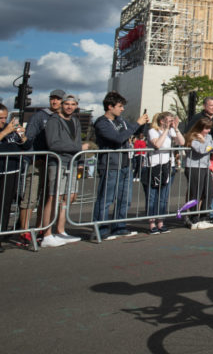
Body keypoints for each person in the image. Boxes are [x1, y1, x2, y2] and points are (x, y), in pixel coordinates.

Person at [93, 91, 148, 240]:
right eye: (119, 106)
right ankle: (101, 229)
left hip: (125, 165)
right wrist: (137, 123)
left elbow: (134, 131)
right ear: (110, 107)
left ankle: (119, 226)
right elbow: (118, 138)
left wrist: (142, 124)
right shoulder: (102, 123)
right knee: (106, 198)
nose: (122, 109)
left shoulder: (121, 121)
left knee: (125, 198)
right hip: (111, 164)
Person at [41, 94, 88, 247]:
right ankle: (46, 233)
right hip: (58, 162)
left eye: (73, 104)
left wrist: (80, 158)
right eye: (67, 103)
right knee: (54, 197)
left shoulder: (75, 120)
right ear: (62, 104)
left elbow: (78, 140)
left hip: (73, 162)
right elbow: (53, 143)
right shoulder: (54, 120)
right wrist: (78, 149)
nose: (69, 106)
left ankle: (61, 230)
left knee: (70, 196)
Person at [17, 89, 63, 243]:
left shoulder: (61, 117)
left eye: (58, 99)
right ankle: (24, 231)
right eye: (52, 98)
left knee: (46, 199)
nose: (54, 101)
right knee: (30, 198)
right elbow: (29, 137)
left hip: (53, 163)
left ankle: (39, 229)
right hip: (37, 162)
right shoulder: (39, 116)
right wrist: (32, 156)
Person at [146, 111, 183, 233]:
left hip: (168, 166)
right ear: (162, 121)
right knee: (153, 196)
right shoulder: (153, 131)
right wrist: (166, 130)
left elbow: (182, 142)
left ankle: (161, 222)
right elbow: (157, 144)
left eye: (173, 120)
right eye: (169, 120)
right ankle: (152, 224)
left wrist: (176, 129)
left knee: (163, 196)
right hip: (155, 166)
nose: (171, 122)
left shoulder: (171, 131)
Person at [183, 118, 213, 230]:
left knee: (210, 191)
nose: (208, 131)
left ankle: (203, 217)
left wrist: (210, 143)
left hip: (205, 166)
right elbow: (202, 150)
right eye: (206, 128)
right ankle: (193, 218)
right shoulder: (192, 137)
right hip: (194, 166)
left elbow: (210, 150)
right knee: (195, 193)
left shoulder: (208, 137)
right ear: (200, 127)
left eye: (209, 128)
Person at [0, 104, 24, 250]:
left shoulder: (10, 130)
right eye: (0, 118)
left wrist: (23, 136)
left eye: (5, 117)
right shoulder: (6, 130)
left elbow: (25, 146)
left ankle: (1, 233)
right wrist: (5, 132)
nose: (3, 121)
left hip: (12, 171)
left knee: (6, 205)